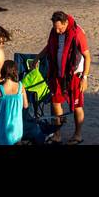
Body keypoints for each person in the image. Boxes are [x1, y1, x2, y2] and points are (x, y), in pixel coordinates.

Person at [39, 12, 89, 144]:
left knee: (77, 106)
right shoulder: (55, 32)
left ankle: (77, 135)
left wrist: (85, 77)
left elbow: (87, 56)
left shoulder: (77, 34)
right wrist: (38, 57)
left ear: (66, 23)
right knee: (55, 103)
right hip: (58, 74)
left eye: (59, 28)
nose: (57, 30)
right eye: (55, 27)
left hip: (74, 76)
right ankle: (57, 134)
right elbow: (49, 46)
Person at [0, 59, 27, 146]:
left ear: (3, 72)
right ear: (15, 71)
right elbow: (26, 105)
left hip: (3, 127)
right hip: (17, 127)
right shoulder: (21, 86)